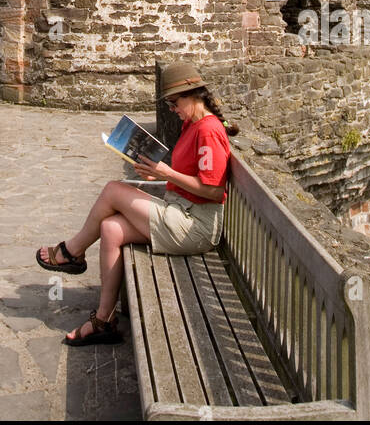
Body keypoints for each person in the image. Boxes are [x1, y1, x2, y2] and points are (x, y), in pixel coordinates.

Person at [35, 59, 238, 346]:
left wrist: (165, 173)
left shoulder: (208, 130)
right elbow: (187, 177)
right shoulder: (192, 125)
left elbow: (215, 191)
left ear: (193, 94)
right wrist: (155, 172)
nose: (173, 110)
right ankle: (104, 319)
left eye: (174, 103)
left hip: (196, 226)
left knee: (113, 190)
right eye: (169, 105)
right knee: (110, 229)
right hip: (179, 212)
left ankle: (72, 251)